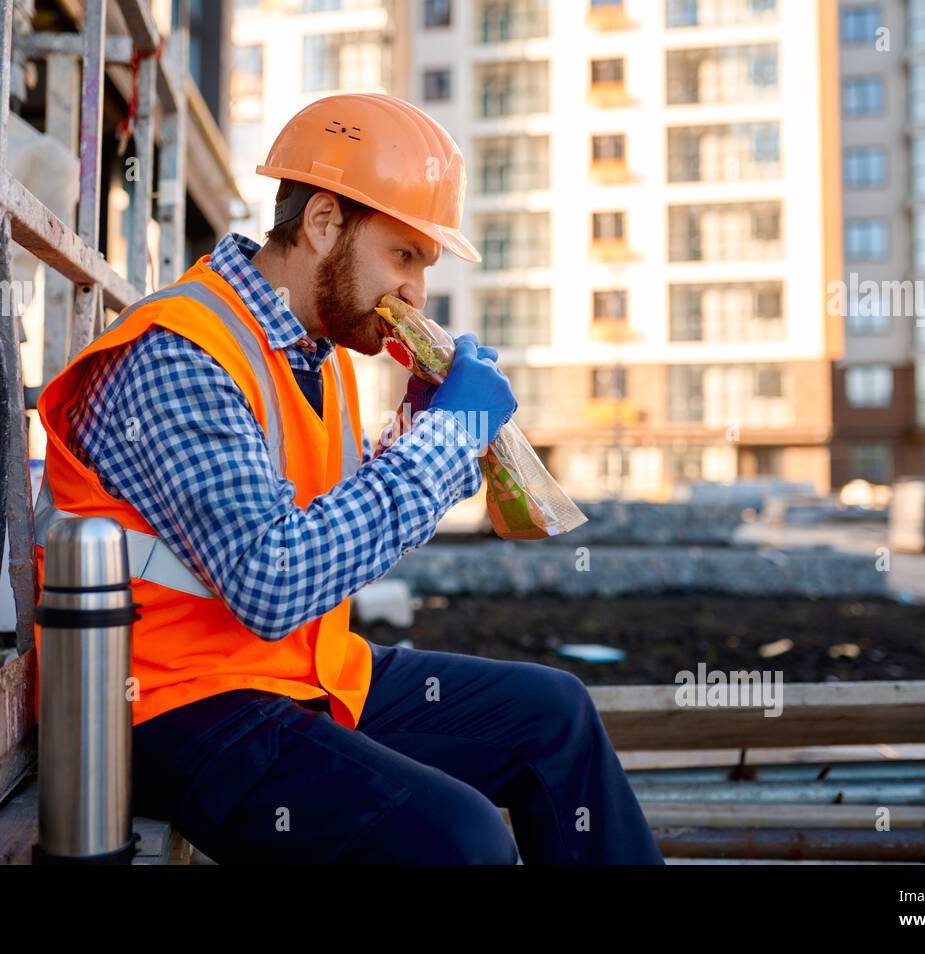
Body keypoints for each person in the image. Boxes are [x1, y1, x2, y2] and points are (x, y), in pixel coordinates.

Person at [33, 92, 664, 864]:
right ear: (324, 222)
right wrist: (442, 442)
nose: (416, 296)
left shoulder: (312, 348)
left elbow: (323, 518)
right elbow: (273, 579)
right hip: (168, 708)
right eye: (404, 256)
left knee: (555, 715)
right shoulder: (180, 354)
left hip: (289, 674)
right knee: (460, 842)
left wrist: (423, 438)